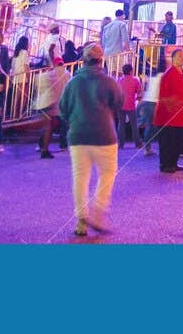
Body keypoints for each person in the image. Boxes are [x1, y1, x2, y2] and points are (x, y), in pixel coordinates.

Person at [60, 43, 123, 236]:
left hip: (78, 135)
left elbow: (63, 109)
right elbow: (119, 102)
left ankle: (81, 219)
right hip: (104, 135)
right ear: (101, 60)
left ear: (83, 60)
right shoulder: (109, 81)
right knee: (107, 172)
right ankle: (98, 211)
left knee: (80, 176)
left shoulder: (72, 82)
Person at [155, 49, 183, 173]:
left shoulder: (182, 73)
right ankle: (165, 164)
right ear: (173, 58)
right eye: (179, 56)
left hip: (181, 115)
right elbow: (163, 96)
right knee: (168, 141)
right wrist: (173, 104)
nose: (182, 58)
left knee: (178, 140)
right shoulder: (168, 74)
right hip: (169, 116)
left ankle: (173, 163)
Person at [33, 43, 69, 158]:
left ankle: (43, 147)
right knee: (55, 126)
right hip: (57, 103)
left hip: (48, 102)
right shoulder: (66, 74)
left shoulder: (51, 74)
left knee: (48, 126)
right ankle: (48, 148)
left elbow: (38, 80)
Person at [115, 63, 142, 146]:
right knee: (134, 124)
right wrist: (137, 99)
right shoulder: (135, 80)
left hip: (120, 104)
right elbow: (139, 93)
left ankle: (121, 143)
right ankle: (137, 143)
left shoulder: (119, 80)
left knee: (121, 124)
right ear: (131, 71)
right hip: (131, 104)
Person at [139, 61, 162, 153]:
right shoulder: (162, 76)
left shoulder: (152, 77)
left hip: (147, 101)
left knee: (150, 125)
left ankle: (147, 147)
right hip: (155, 103)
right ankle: (160, 146)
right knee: (159, 126)